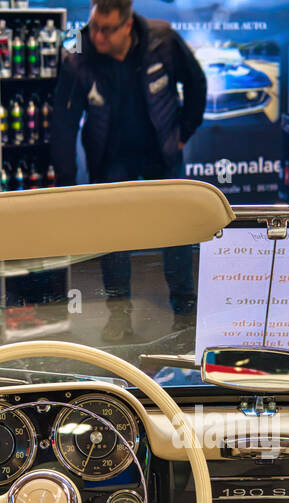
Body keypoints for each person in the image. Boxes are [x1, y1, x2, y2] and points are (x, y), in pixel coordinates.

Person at [52, 0, 207, 342]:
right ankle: (118, 316)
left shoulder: (162, 40)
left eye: (106, 30)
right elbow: (63, 122)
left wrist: (184, 133)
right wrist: (63, 182)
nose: (97, 36)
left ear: (126, 26)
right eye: (94, 27)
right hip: (110, 156)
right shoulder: (77, 53)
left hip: (161, 150)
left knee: (176, 232)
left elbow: (196, 84)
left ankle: (185, 316)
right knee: (114, 236)